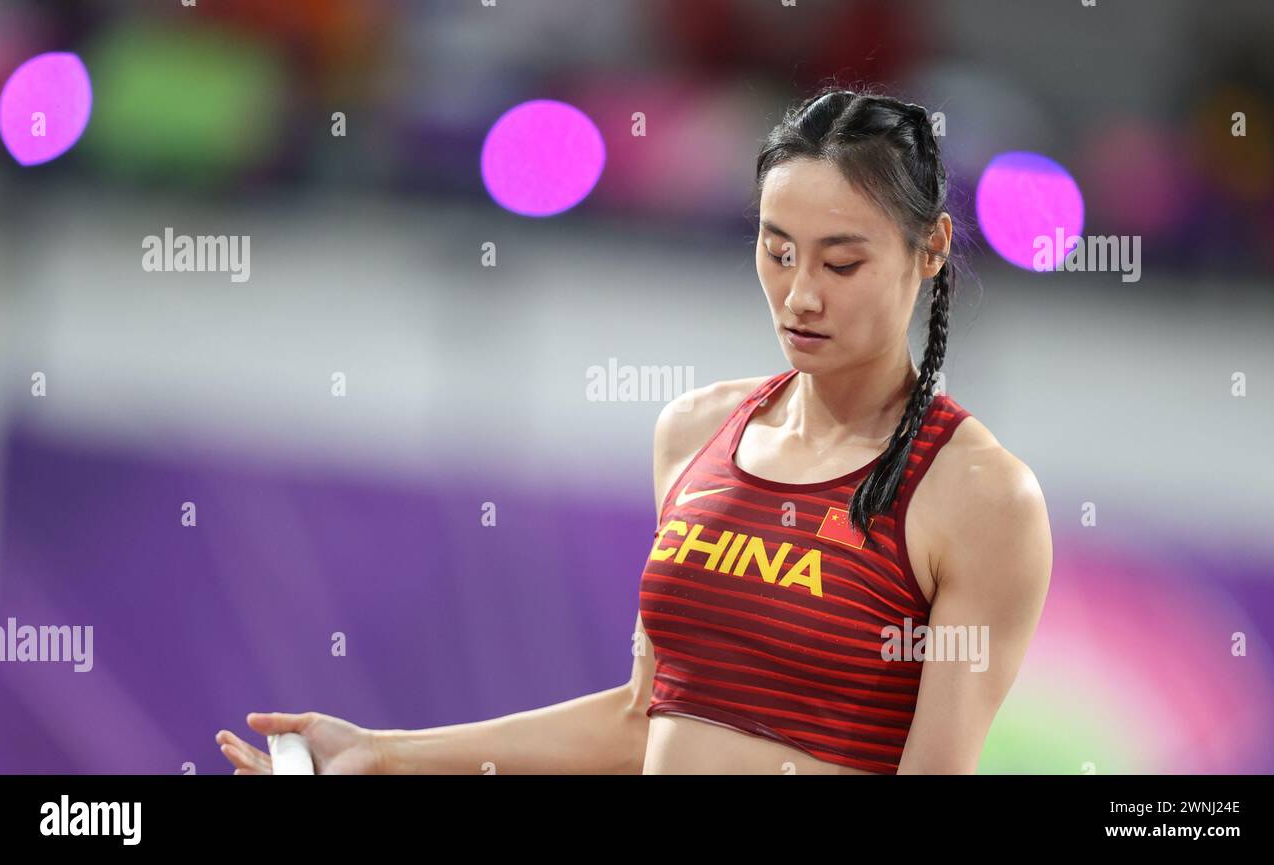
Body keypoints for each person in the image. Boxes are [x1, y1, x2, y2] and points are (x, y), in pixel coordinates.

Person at [216, 86, 1052, 775]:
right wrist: (381, 754)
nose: (800, 296)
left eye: (841, 263)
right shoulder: (694, 433)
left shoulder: (978, 497)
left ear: (932, 248)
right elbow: (637, 719)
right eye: (776, 250)